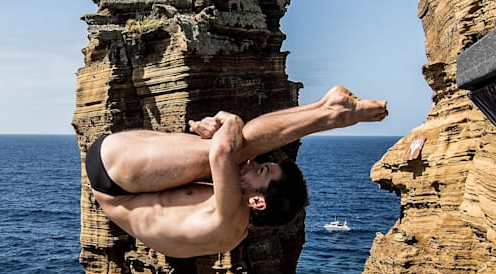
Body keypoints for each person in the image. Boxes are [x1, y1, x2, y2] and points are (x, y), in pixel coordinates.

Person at [84, 86, 388, 258]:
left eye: (263, 170)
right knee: (231, 150)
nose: (254, 164)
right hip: (128, 175)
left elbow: (224, 151)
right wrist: (215, 133)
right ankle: (325, 106)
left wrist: (229, 121)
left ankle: (332, 113)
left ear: (258, 202)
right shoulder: (235, 211)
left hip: (113, 176)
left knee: (236, 147)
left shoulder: (228, 223)